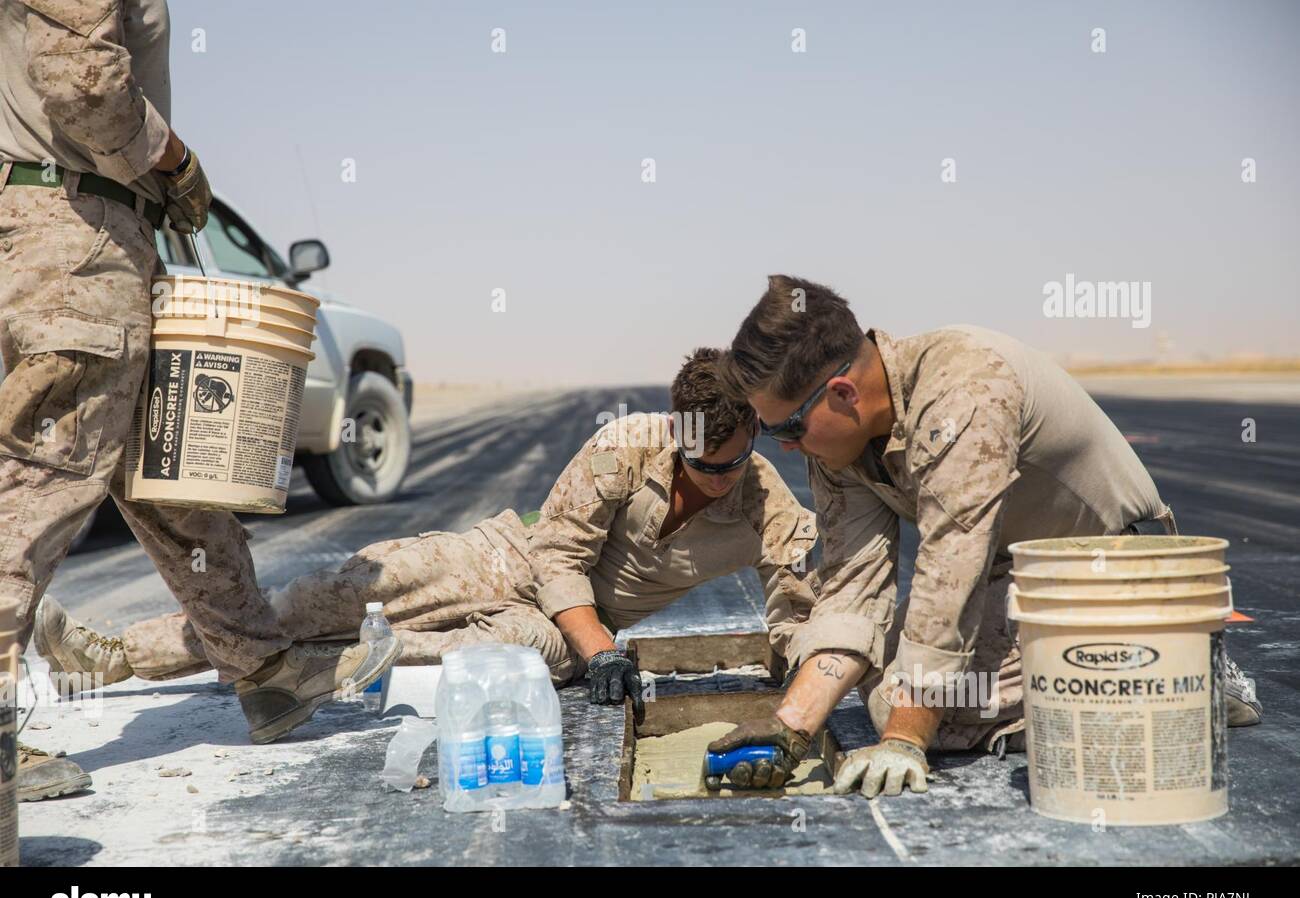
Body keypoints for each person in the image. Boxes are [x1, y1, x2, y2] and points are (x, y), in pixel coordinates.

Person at [1, 0, 398, 801]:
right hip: (70, 234)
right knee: (40, 487)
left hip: (98, 235)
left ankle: (265, 670)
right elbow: (84, 84)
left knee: (170, 474)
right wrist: (176, 163)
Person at [707, 275, 1262, 798]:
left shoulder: (963, 389)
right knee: (883, 685)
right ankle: (1127, 678)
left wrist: (905, 742)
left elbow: (953, 571)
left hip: (1106, 571)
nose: (784, 447)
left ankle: (1178, 672)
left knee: (921, 711)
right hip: (1014, 575)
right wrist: (792, 726)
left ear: (844, 393)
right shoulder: (837, 443)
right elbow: (852, 586)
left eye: (787, 428)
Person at [34, 349, 819, 717]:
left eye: (728, 464)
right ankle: (117, 658)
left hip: (567, 632)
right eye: (699, 464)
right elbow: (560, 553)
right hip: (506, 558)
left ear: (751, 436)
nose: (712, 480)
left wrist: (806, 675)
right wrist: (604, 654)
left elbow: (795, 595)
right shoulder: (626, 444)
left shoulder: (761, 498)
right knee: (337, 593)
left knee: (439, 654)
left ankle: (293, 674)